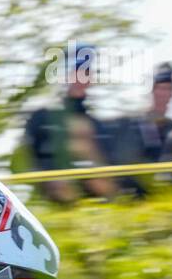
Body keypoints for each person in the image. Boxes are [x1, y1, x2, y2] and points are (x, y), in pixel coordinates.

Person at [19, 42, 116, 201]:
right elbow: (26, 162)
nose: (81, 79)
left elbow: (109, 173)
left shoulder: (98, 126)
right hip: (50, 205)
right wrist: (50, 183)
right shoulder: (40, 118)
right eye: (76, 72)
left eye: (86, 73)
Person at [106, 62, 172, 194]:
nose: (163, 94)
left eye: (168, 89)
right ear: (152, 91)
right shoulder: (130, 125)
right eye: (160, 88)